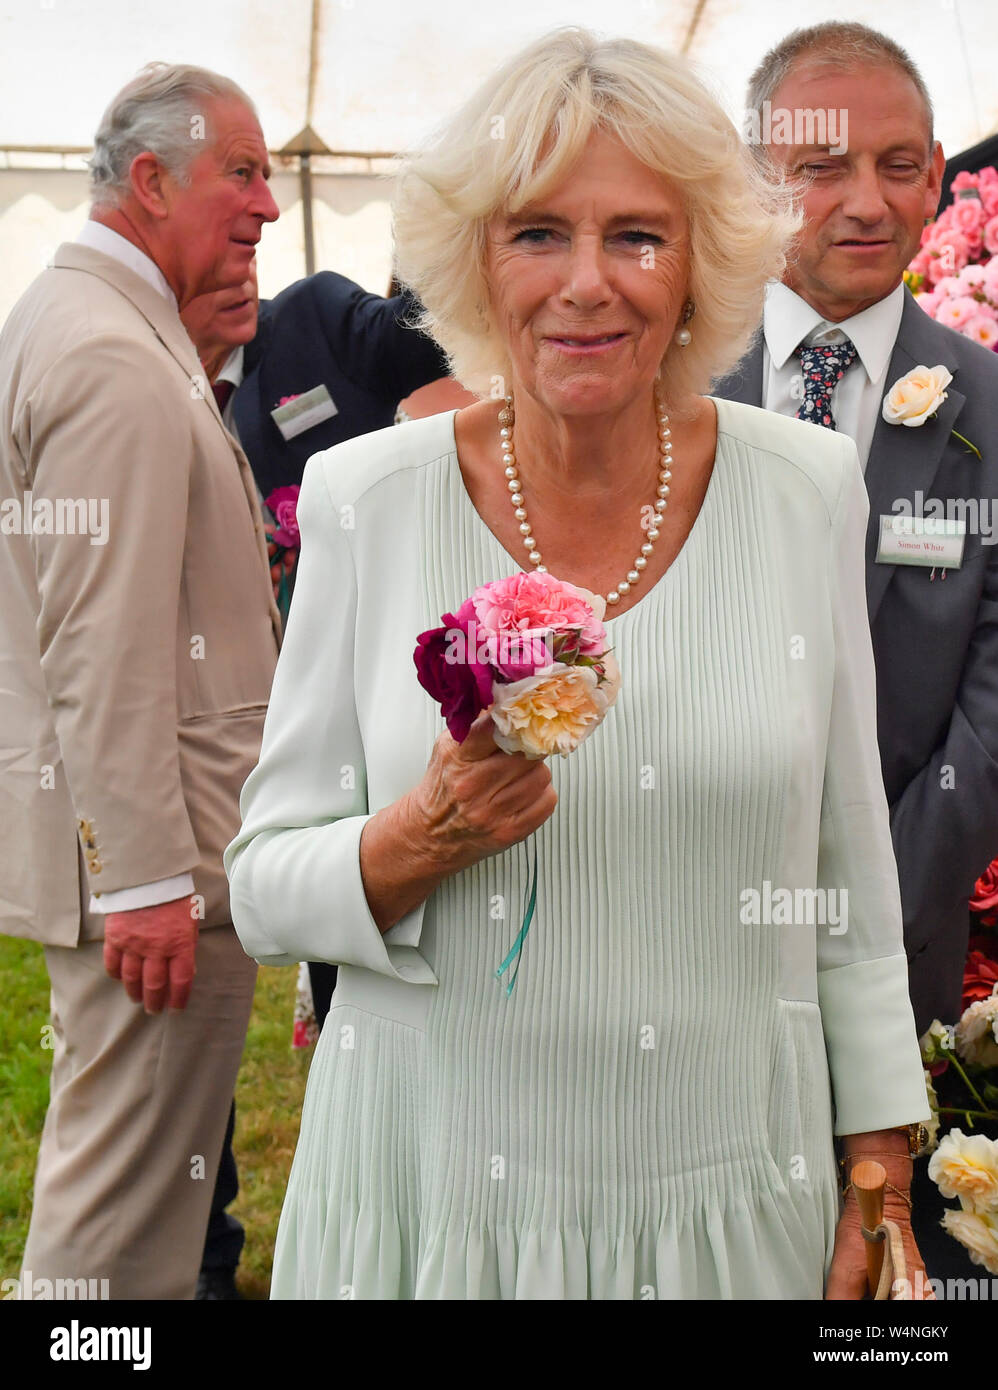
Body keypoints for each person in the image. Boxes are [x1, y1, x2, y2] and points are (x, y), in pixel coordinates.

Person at [226, 28, 931, 1300]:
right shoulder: (360, 497)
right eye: (536, 231)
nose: (587, 283)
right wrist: (418, 834)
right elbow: (267, 886)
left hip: (722, 1204)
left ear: (701, 260)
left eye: (637, 237)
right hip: (428, 1193)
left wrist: (874, 1168)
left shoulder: (804, 489)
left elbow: (844, 864)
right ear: (471, 257)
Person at [0, 63, 280, 1300]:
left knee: (139, 1219)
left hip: (158, 858)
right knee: (113, 1240)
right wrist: (150, 882)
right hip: (160, 876)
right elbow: (98, 642)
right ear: (153, 180)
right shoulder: (110, 352)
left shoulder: (103, 327)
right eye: (244, 171)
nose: (267, 206)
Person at [179, 259, 466, 1295]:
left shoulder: (317, 318)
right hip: (298, 706)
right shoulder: (175, 388)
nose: (244, 263)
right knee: (337, 928)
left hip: (432, 677)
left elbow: (435, 345)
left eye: (257, 221)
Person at [714, 20, 998, 1044]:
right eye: (821, 168)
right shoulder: (662, 387)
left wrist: (877, 894)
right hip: (681, 926)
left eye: (897, 166)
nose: (868, 202)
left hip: (899, 942)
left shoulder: (989, 410)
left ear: (933, 182)